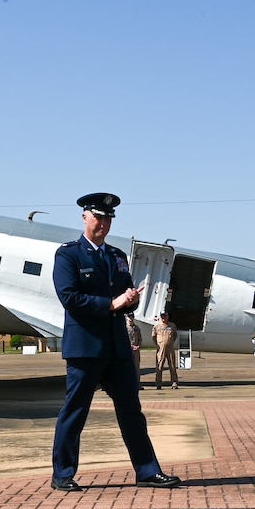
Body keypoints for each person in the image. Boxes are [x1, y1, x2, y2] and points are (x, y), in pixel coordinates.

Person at [49, 193, 181, 492]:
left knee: (132, 410)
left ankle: (148, 471)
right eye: (98, 217)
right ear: (85, 217)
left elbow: (125, 300)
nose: (104, 224)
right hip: (85, 347)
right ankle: (63, 474)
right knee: (75, 411)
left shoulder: (117, 256)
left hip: (117, 348)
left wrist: (130, 300)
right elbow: (69, 298)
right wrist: (112, 303)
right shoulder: (68, 254)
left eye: (108, 219)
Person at [152, 310, 180, 390]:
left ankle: (174, 382)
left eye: (165, 315)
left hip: (170, 348)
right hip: (161, 348)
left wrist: (169, 343)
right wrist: (159, 344)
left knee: (172, 365)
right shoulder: (157, 326)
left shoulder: (172, 325)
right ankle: (158, 383)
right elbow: (153, 336)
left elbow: (175, 336)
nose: (163, 317)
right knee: (159, 365)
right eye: (162, 316)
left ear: (168, 316)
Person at [125, 312, 143, 383]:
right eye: (129, 316)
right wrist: (130, 346)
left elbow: (140, 339)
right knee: (127, 367)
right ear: (126, 317)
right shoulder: (124, 328)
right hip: (127, 350)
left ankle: (137, 384)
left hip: (136, 350)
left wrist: (138, 346)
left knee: (136, 368)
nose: (131, 318)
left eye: (132, 316)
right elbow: (122, 339)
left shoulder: (137, 328)